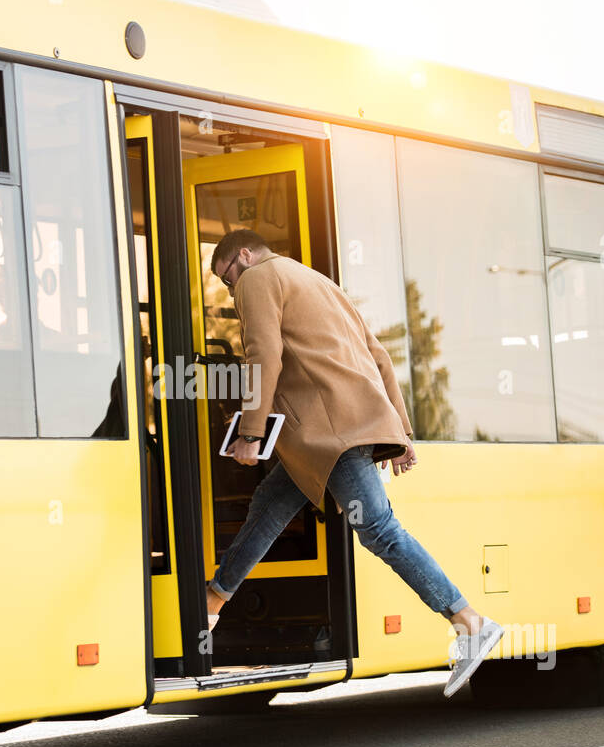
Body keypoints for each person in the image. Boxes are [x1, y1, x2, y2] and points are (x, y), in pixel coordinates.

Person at [204, 229, 503, 698]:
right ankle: (213, 602)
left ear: (245, 255)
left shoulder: (260, 277)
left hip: (331, 436)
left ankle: (469, 621)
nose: (231, 290)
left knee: (379, 529)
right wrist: (400, 431)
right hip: (335, 434)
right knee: (270, 503)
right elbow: (378, 355)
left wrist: (250, 432)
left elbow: (264, 354)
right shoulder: (321, 283)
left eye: (228, 278)